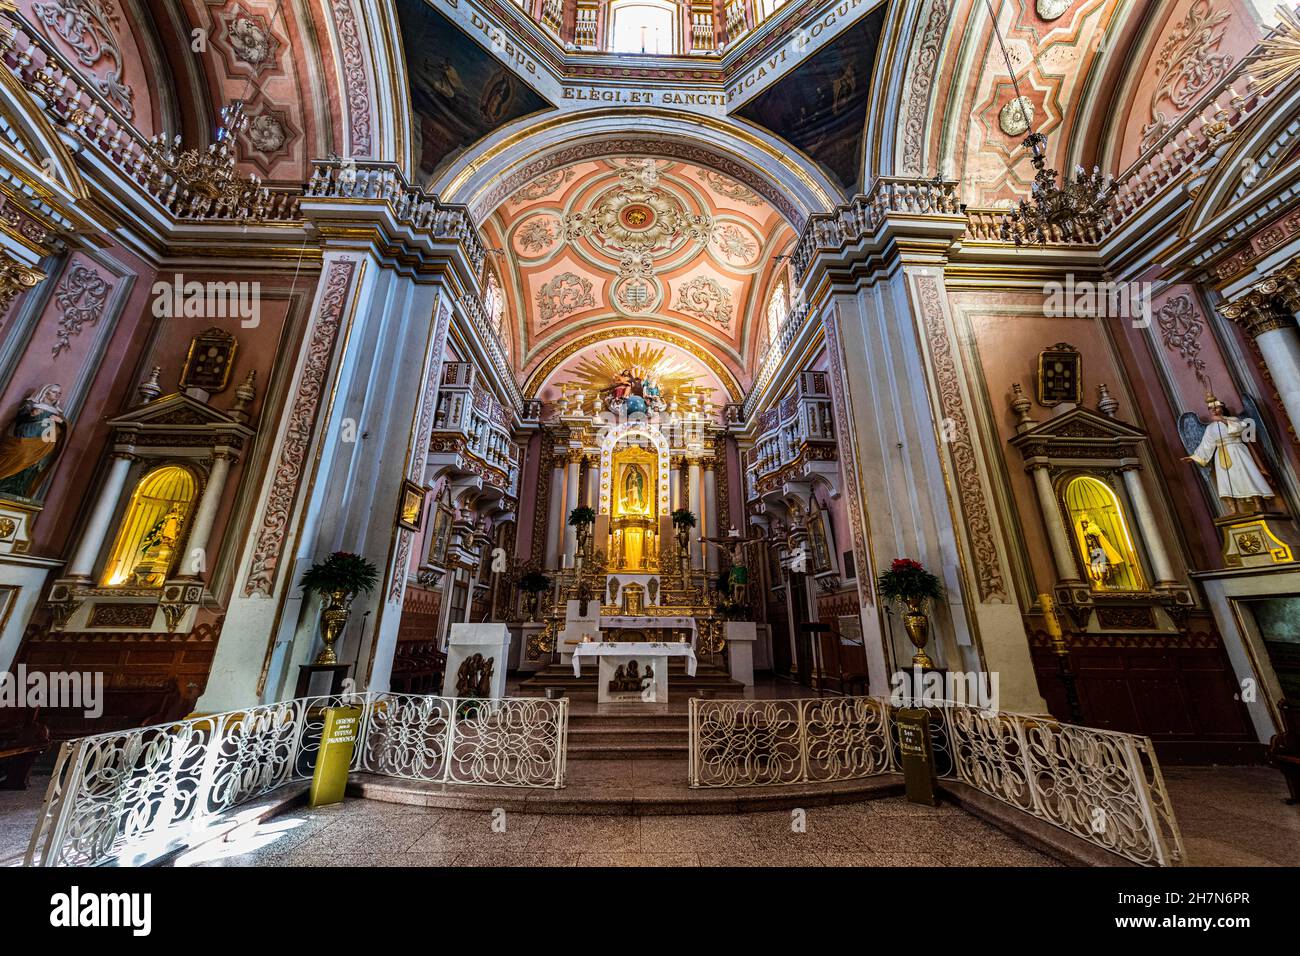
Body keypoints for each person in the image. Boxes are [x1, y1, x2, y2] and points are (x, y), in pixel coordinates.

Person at [1183, 393, 1274, 514]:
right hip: (1221, 455)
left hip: (1237, 451)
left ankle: (1258, 504)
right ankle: (1233, 509)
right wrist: (1194, 457)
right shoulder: (1210, 428)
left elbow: (1240, 428)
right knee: (1226, 481)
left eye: (1216, 408)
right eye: (1211, 409)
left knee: (1246, 476)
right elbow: (1206, 444)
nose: (1214, 410)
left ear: (1222, 409)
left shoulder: (1233, 420)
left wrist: (1222, 420)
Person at [0, 384, 67, 498]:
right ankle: (4, 488)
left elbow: (66, 427)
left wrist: (60, 421)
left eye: (59, 393)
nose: (57, 395)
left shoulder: (57, 412)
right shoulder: (31, 404)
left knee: (33, 467)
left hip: (45, 444)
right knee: (20, 459)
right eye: (54, 392)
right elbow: (19, 418)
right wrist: (31, 414)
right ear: (45, 392)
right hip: (26, 440)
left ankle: (19, 492)